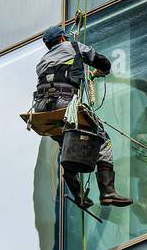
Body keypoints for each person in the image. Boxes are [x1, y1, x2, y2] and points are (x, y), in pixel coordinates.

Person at [31, 24, 132, 211]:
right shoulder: (75, 47)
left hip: (43, 110)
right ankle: (107, 192)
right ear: (62, 38)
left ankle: (78, 196)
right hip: (64, 103)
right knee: (102, 139)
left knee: (67, 145)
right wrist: (100, 71)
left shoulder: (42, 61)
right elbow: (104, 63)